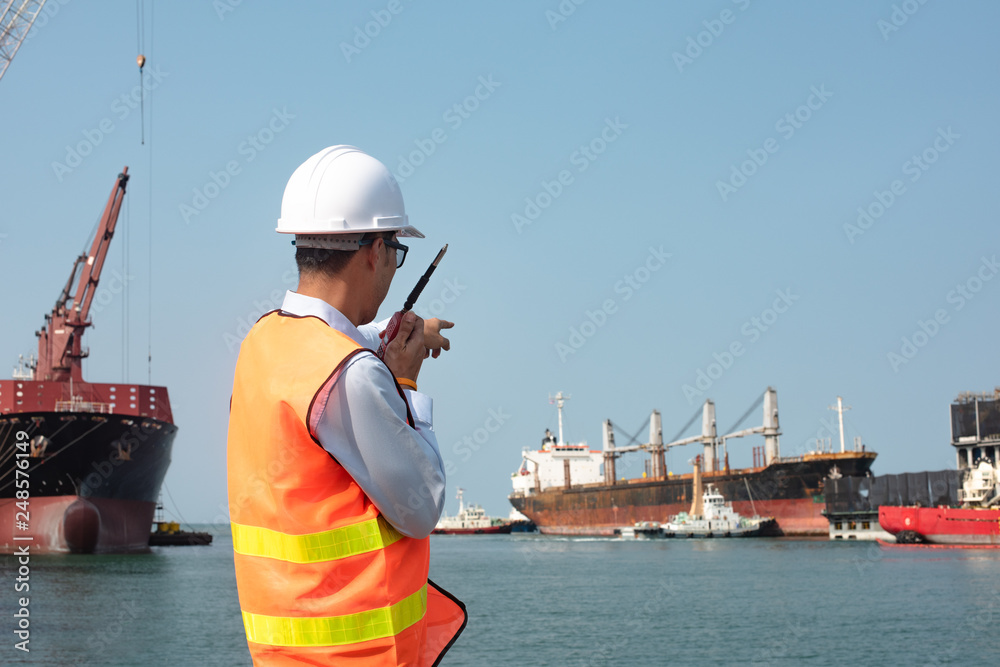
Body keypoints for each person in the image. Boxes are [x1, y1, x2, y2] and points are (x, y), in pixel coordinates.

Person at [227, 145, 466, 666]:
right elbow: (421, 506)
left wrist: (396, 332)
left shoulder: (263, 343)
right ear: (374, 252)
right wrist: (404, 380)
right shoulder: (353, 376)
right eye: (395, 255)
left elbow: (329, 341)